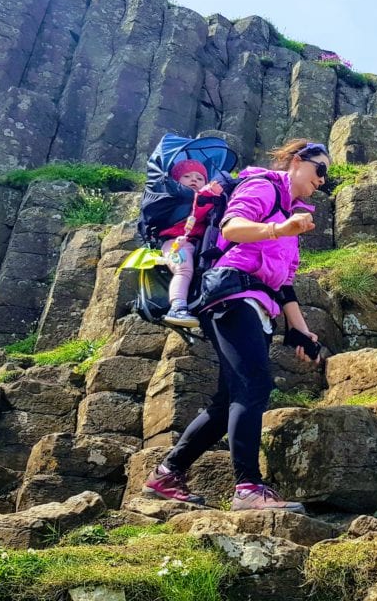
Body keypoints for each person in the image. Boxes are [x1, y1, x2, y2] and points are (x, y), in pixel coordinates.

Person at [143, 139, 329, 512]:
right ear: (296, 161)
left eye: (327, 175)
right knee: (254, 386)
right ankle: (247, 488)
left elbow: (285, 281)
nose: (322, 180)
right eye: (319, 169)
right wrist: (281, 229)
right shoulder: (262, 185)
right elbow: (232, 228)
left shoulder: (293, 211)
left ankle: (167, 474)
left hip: (258, 303)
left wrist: (300, 329)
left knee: (229, 399)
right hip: (230, 295)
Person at [157, 159, 223, 327]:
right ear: (176, 181)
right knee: (183, 268)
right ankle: (177, 307)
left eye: (200, 178)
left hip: (198, 244)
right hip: (175, 242)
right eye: (187, 176)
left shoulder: (204, 199)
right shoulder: (176, 198)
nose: (194, 180)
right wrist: (208, 193)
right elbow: (195, 209)